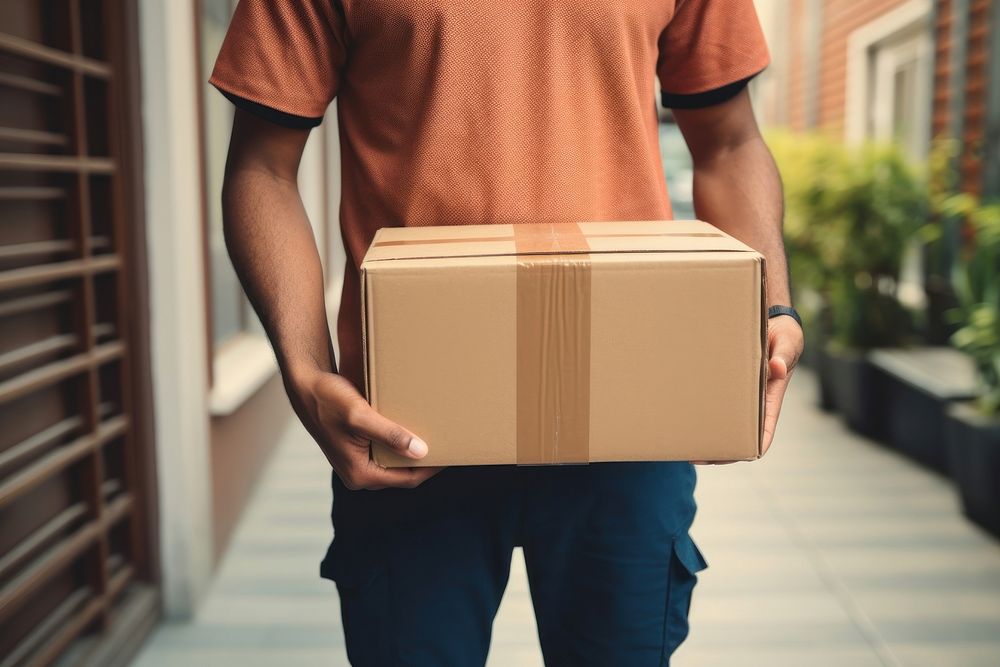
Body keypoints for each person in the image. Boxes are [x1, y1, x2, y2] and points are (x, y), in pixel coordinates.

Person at [210, 0, 804, 664]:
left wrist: (773, 309)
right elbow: (262, 167)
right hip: (406, 420)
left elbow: (729, 141)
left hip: (626, 417)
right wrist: (306, 372)